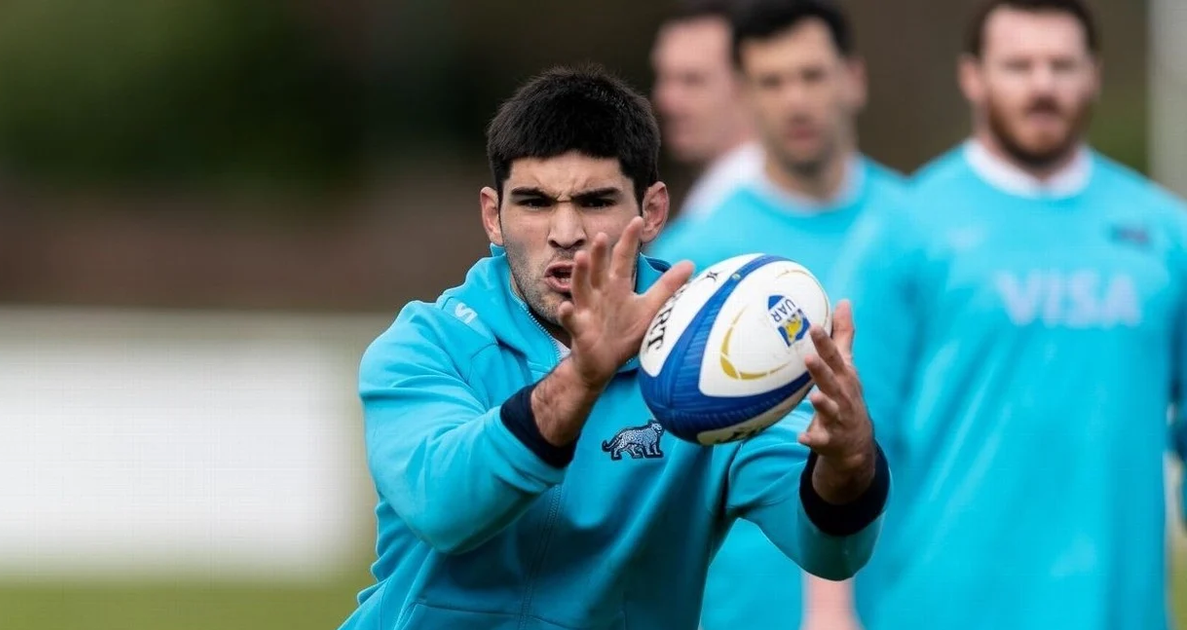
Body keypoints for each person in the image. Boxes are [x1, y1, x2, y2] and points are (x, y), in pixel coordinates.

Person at [337, 64, 890, 630]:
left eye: (596, 201)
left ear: (652, 211)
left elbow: (831, 550)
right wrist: (584, 377)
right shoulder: (427, 345)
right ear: (492, 216)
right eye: (533, 202)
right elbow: (446, 506)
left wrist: (848, 461)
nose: (566, 232)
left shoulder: (713, 359)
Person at [828, 1, 1187, 629]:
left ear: (1093, 74)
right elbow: (840, 443)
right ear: (973, 76)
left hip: (1120, 608)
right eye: (1019, 65)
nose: (1042, 84)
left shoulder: (1164, 232)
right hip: (936, 608)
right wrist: (828, 610)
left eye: (1061, 64)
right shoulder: (904, 229)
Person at [649, 2, 906, 629]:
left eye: (813, 76)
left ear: (854, 79)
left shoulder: (921, 233)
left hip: (903, 591)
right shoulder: (690, 260)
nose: (796, 101)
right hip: (739, 606)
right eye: (772, 81)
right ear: (742, 95)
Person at [651, 0, 760, 222]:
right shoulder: (710, 197)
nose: (666, 100)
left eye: (692, 80)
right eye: (663, 77)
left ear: (749, 83)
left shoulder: (745, 209)